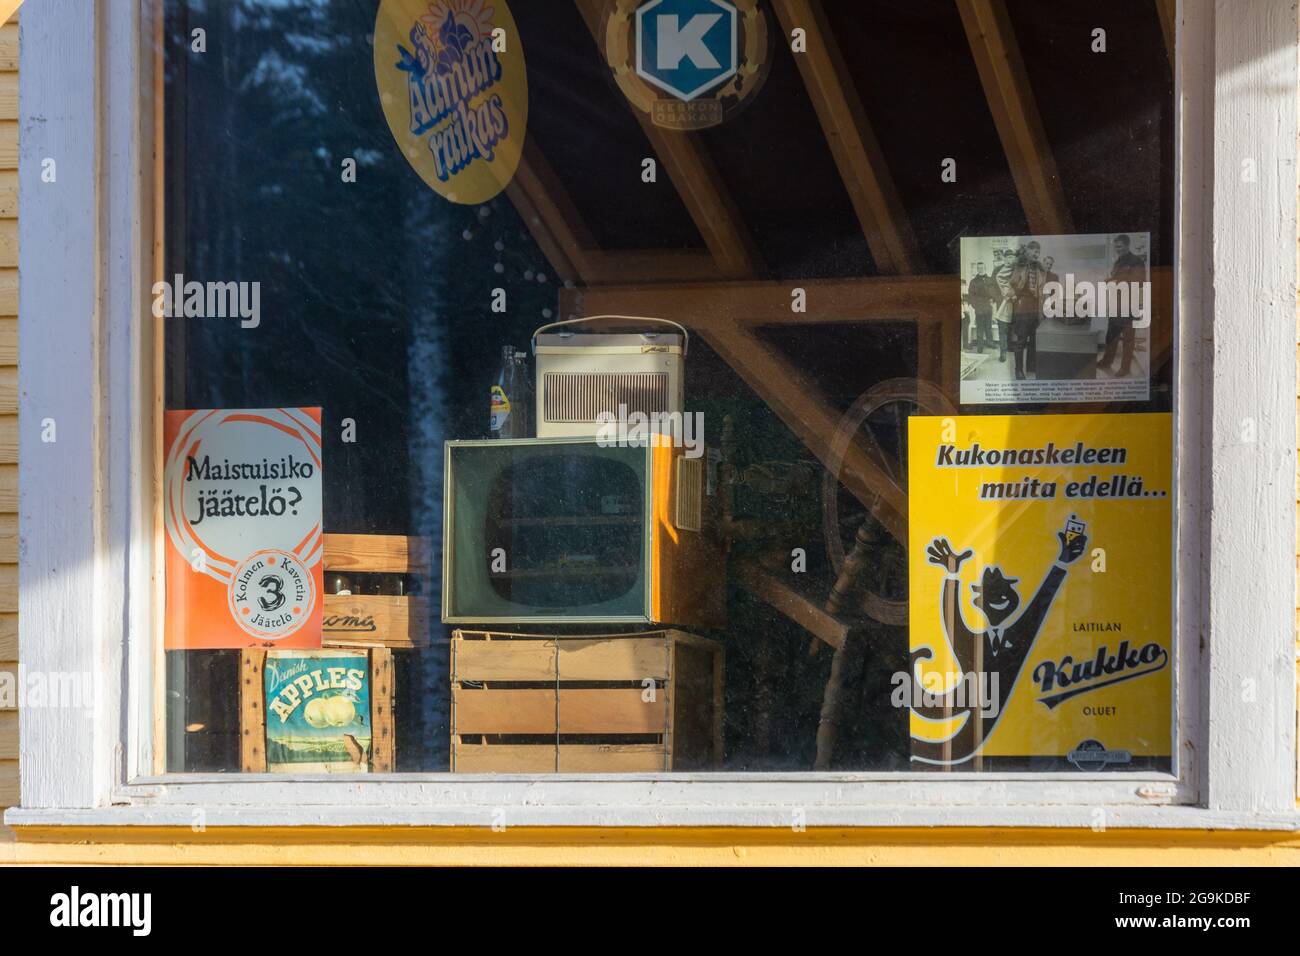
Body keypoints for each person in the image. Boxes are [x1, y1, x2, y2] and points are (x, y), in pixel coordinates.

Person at [910, 524, 1089, 766]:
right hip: (967, 726)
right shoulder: (972, 640)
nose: (998, 599)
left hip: (1018, 738)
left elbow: (1040, 603)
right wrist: (952, 574)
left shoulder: (1018, 635)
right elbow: (952, 618)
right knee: (932, 741)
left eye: (1004, 591)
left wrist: (1062, 563)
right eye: (990, 593)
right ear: (978, 600)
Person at [1098, 234, 1146, 377]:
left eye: (1119, 247)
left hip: (1129, 305)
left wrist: (1113, 283)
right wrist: (1109, 279)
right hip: (1115, 305)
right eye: (1115, 247)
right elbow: (1117, 277)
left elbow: (1139, 281)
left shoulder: (1136, 261)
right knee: (1111, 335)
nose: (1117, 250)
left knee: (1128, 338)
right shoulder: (1118, 262)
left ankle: (1125, 368)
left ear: (1127, 245)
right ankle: (1107, 361)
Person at [966, 260, 996, 351]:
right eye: (978, 268)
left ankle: (990, 343)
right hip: (979, 307)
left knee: (988, 326)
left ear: (985, 268)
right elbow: (970, 295)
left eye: (982, 267)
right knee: (980, 326)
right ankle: (980, 346)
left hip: (988, 306)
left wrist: (992, 300)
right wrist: (975, 305)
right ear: (977, 269)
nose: (980, 269)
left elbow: (994, 292)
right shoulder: (973, 281)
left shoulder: (990, 279)